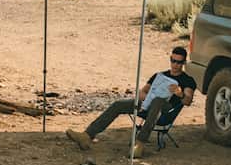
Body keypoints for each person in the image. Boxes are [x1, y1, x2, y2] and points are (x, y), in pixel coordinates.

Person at [66, 46, 196, 158]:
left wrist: (179, 93)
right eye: (173, 61)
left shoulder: (187, 80)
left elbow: (187, 101)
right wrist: (145, 98)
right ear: (170, 59)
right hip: (148, 105)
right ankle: (87, 135)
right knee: (118, 105)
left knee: (158, 101)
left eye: (179, 62)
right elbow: (142, 92)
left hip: (166, 111)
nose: (175, 65)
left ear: (184, 63)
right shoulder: (160, 76)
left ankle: (140, 144)